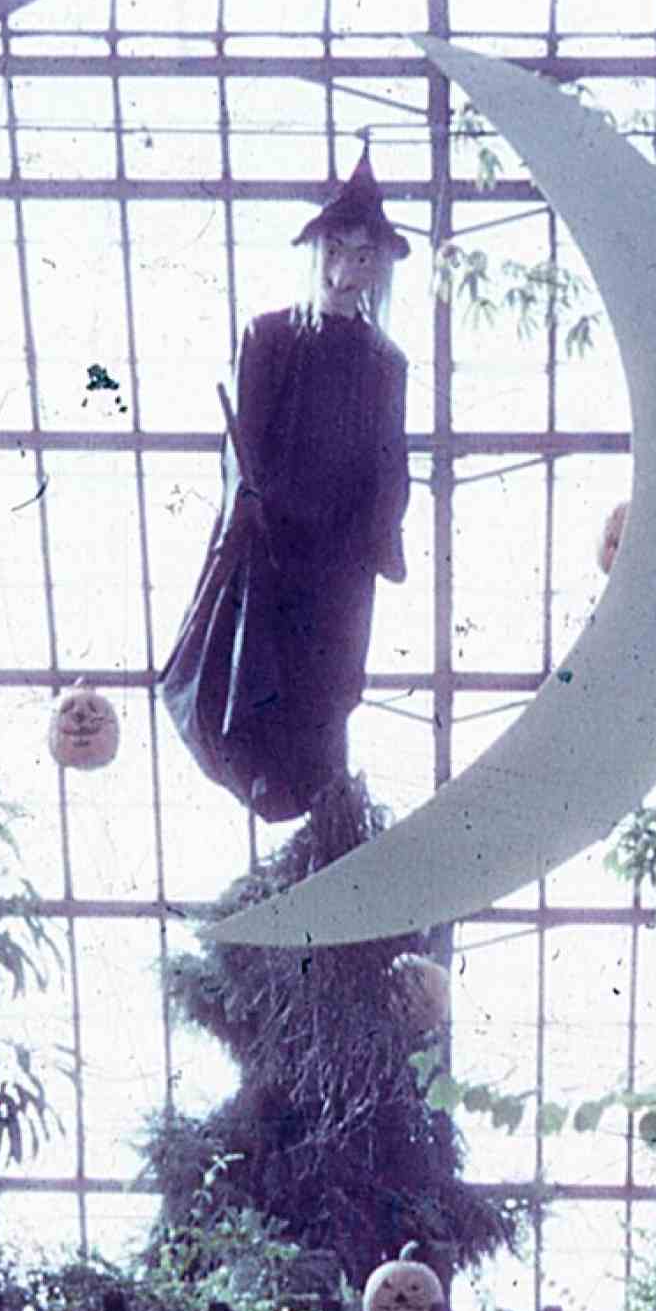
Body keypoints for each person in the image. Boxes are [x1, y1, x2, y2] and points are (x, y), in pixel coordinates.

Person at [159, 147, 411, 828]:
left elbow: (391, 466)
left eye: (366, 257)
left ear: (379, 268)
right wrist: (255, 508)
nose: (351, 268)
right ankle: (276, 785)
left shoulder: (386, 362)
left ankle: (325, 816)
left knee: (325, 696)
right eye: (342, 250)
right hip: (271, 549)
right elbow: (243, 443)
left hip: (340, 562)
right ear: (320, 252)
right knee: (254, 676)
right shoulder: (269, 337)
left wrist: (373, 539)